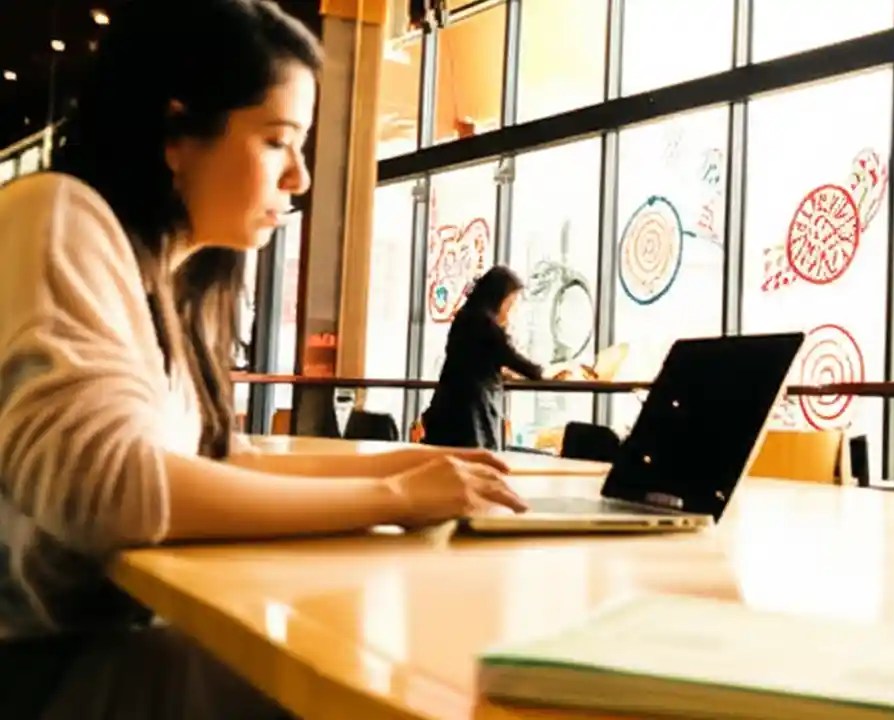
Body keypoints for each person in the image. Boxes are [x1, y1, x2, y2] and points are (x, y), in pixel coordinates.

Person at [0, 1, 526, 718]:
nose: (301, 179)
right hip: (35, 669)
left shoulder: (169, 279)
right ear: (176, 131)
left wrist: (404, 468)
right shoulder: (57, 213)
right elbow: (113, 490)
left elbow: (215, 459)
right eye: (280, 141)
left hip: (93, 644)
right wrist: (394, 498)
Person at [421, 266, 572, 451]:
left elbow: (477, 359)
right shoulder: (484, 324)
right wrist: (544, 373)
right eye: (510, 301)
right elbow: (512, 359)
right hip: (471, 411)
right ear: (499, 297)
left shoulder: (465, 317)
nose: (510, 308)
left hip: (449, 404)